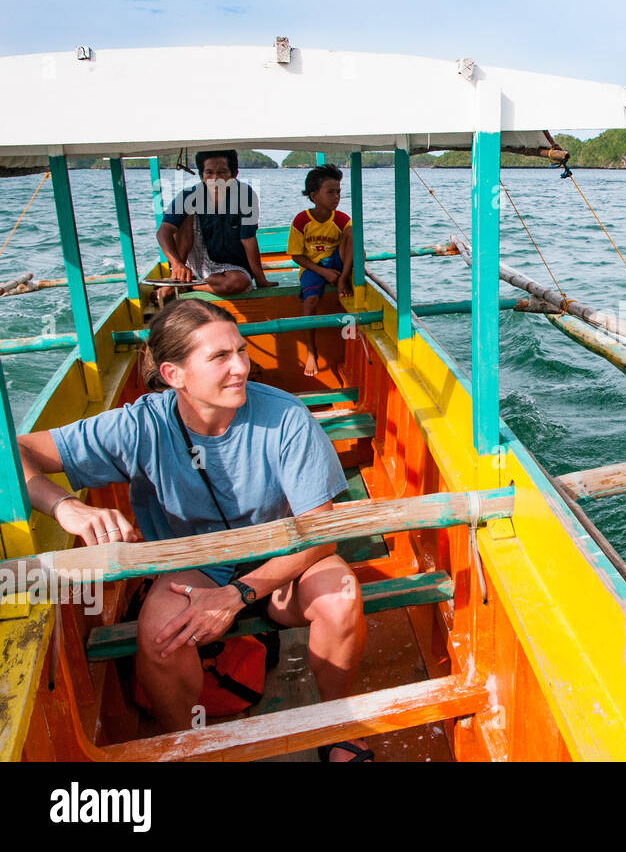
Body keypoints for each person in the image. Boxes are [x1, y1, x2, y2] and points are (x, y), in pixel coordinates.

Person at [16, 299, 373, 762]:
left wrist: (237, 595)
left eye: (241, 351)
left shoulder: (285, 417)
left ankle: (335, 724)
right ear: (173, 374)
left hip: (286, 557)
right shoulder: (138, 426)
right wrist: (66, 508)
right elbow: (14, 454)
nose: (241, 367)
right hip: (197, 567)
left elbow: (320, 532)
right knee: (160, 635)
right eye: (219, 357)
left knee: (342, 595)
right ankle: (190, 746)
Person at [154, 150, 277, 304]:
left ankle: (187, 286)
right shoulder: (189, 195)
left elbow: (248, 238)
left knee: (239, 283)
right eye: (209, 172)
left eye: (222, 172)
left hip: (233, 265)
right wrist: (177, 263)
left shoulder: (245, 195)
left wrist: (260, 279)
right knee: (185, 216)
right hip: (197, 261)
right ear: (201, 176)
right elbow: (164, 231)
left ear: (234, 174)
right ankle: (181, 277)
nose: (215, 178)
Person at [287, 164, 353, 377]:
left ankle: (343, 281)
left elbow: (351, 246)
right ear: (314, 196)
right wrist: (323, 273)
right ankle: (310, 351)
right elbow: (296, 255)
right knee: (311, 302)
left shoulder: (342, 220)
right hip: (313, 267)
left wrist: (341, 277)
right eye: (331, 192)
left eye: (339, 192)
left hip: (337, 264)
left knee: (353, 233)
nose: (337, 197)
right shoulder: (302, 220)